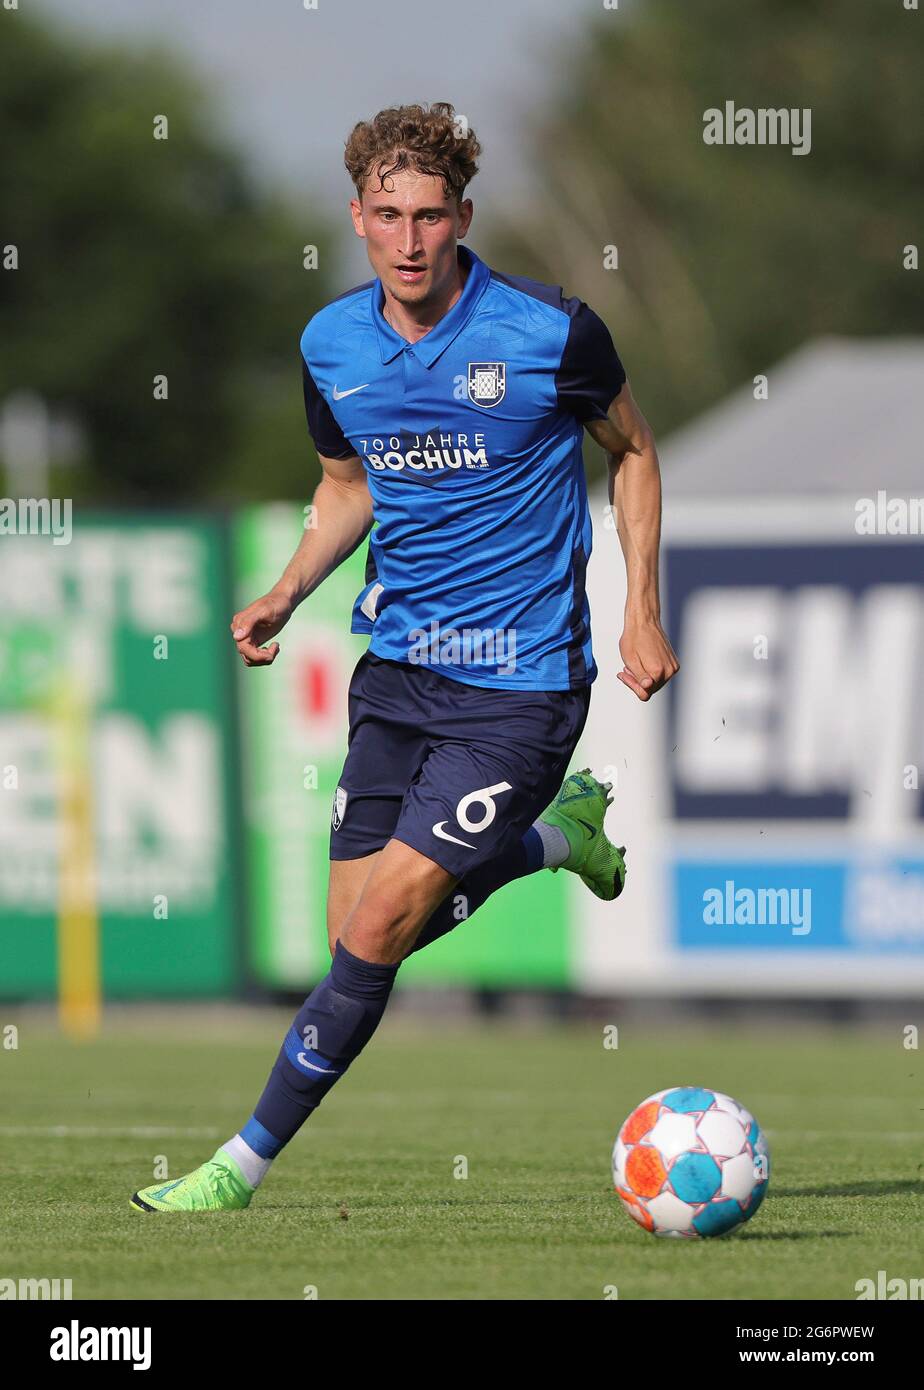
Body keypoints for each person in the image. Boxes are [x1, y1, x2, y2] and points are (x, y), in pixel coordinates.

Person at [130, 101, 678, 1213]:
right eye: (390, 215)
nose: (412, 238)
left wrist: (640, 610)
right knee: (353, 939)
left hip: (520, 685)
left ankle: (237, 1170)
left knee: (378, 927)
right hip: (399, 669)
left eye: (432, 214)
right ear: (359, 219)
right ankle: (554, 839)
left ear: (464, 215)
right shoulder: (331, 344)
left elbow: (633, 452)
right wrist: (286, 591)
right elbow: (348, 488)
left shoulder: (549, 332)